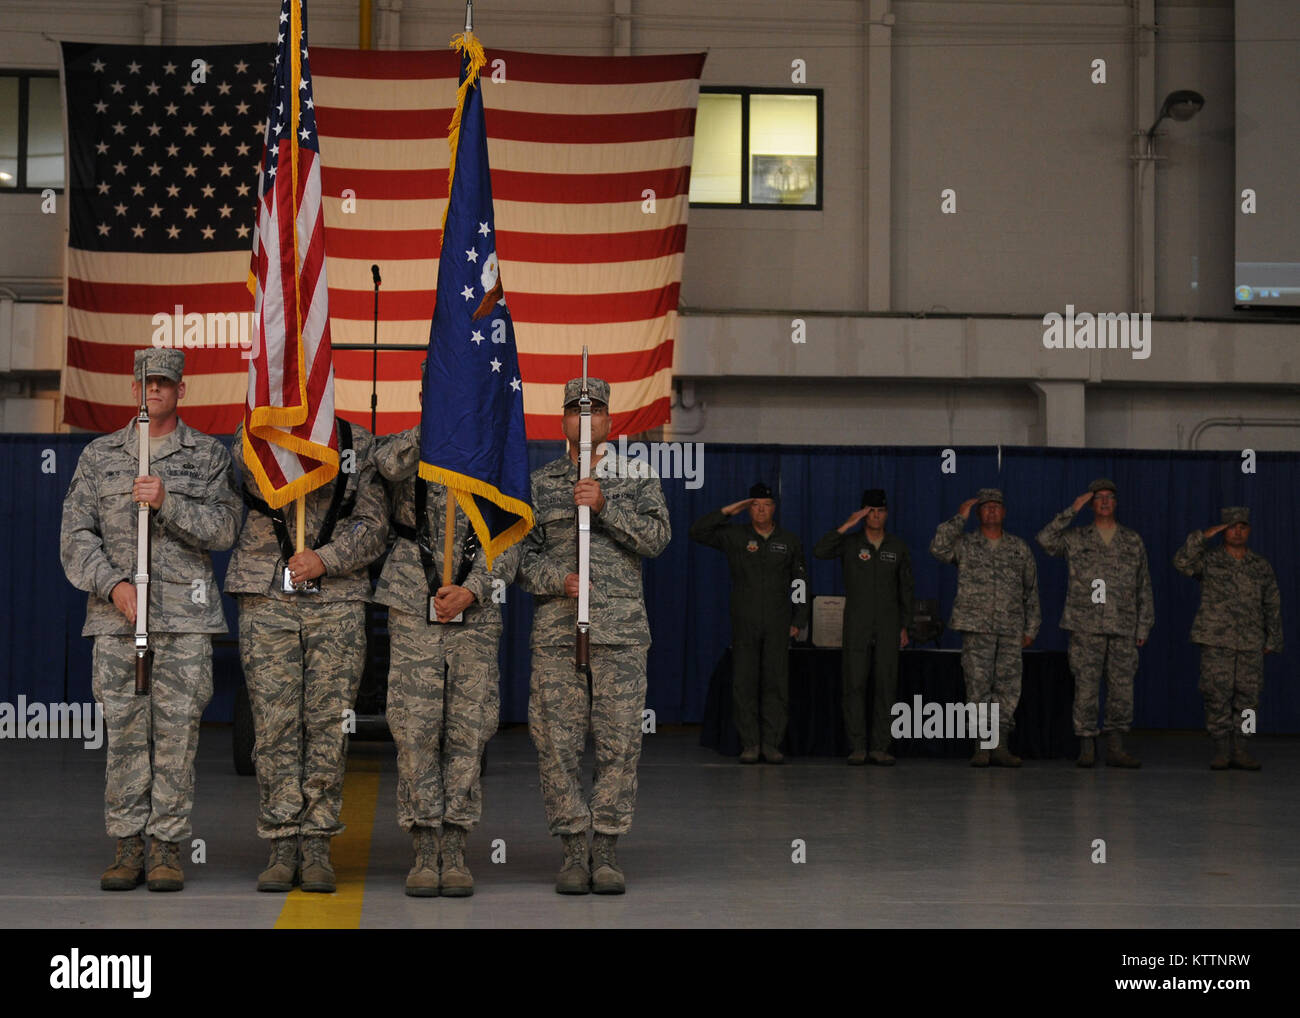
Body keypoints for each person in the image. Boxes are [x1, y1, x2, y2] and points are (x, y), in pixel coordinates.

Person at [60, 349, 240, 892]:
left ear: (181, 390)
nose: (153, 390)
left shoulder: (207, 455)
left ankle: (166, 847)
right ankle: (127, 844)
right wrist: (112, 584)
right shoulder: (101, 456)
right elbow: (75, 536)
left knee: (178, 736)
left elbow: (226, 527)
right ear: (133, 387)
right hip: (118, 622)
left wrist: (169, 503)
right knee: (125, 735)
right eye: (145, 381)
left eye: (163, 382)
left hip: (183, 621)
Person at [517, 377, 671, 894]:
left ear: (610, 420)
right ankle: (571, 851)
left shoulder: (636, 475)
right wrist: (556, 581)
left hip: (621, 634)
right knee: (556, 744)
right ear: (561, 420)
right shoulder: (539, 483)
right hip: (559, 634)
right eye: (574, 413)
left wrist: (606, 506)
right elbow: (519, 559)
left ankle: (605, 851)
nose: (585, 422)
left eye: (595, 412)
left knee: (619, 744)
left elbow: (656, 539)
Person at [225, 417, 388, 893]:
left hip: (336, 597)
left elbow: (375, 526)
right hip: (266, 592)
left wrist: (327, 559)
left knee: (328, 724)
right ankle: (280, 841)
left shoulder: (360, 443)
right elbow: (244, 464)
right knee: (274, 724)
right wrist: (281, 430)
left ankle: (316, 843)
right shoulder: (254, 432)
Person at [372, 424, 520, 896]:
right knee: (415, 727)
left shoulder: (495, 451)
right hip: (415, 600)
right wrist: (430, 430)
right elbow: (386, 466)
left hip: (474, 609)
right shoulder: (410, 444)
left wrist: (473, 589)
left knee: (468, 728)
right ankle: (422, 844)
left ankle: (454, 846)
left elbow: (512, 532)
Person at [1036, 478, 1152, 768]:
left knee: (1121, 690)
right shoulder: (1077, 537)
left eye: (1109, 497)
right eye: (1097, 497)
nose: (1103, 502)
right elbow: (1045, 539)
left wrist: (1143, 625)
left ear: (1116, 503)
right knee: (1086, 689)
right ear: (1090, 503)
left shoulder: (1132, 540)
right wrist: (1071, 509)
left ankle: (1115, 747)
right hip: (1086, 626)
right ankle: (1087, 747)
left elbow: (1144, 585)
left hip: (1123, 626)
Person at [690, 482, 809, 764]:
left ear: (774, 509)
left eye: (766, 505)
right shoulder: (735, 536)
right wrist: (730, 510)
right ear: (748, 508)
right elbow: (698, 531)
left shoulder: (788, 541)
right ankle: (750, 744)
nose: (760, 510)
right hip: (745, 620)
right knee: (744, 682)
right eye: (754, 505)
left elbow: (799, 582)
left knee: (775, 683)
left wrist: (800, 618)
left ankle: (771, 743)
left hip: (779, 622)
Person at [930, 488, 1040, 767]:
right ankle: (982, 745)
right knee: (978, 687)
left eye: (996, 506)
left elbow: (1031, 591)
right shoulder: (966, 544)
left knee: (1007, 688)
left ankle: (1000, 745)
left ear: (1004, 512)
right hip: (976, 627)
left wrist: (1031, 628)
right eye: (986, 507)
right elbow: (938, 548)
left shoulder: (1019, 547)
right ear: (978, 514)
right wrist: (959, 517)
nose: (991, 511)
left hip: (1010, 628)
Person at [1172, 507, 1283, 770]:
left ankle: (1242, 749)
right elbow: (1181, 562)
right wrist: (1203, 536)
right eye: (1232, 526)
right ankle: (1222, 749)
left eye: (1243, 526)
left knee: (1249, 698)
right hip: (1215, 640)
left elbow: (1272, 602)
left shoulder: (1260, 565)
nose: (1238, 531)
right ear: (1223, 530)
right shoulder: (1210, 561)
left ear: (1249, 530)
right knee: (1216, 694)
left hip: (1250, 642)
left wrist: (1273, 638)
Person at [814, 489, 913, 765]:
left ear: (887, 514)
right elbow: (819, 551)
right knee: (854, 684)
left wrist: (905, 626)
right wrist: (846, 525)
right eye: (870, 511)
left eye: (880, 511)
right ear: (862, 513)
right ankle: (858, 745)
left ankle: (880, 746)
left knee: (885, 684)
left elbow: (906, 589)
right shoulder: (850, 543)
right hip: (857, 621)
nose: (876, 516)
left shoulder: (897, 546)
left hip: (889, 623)